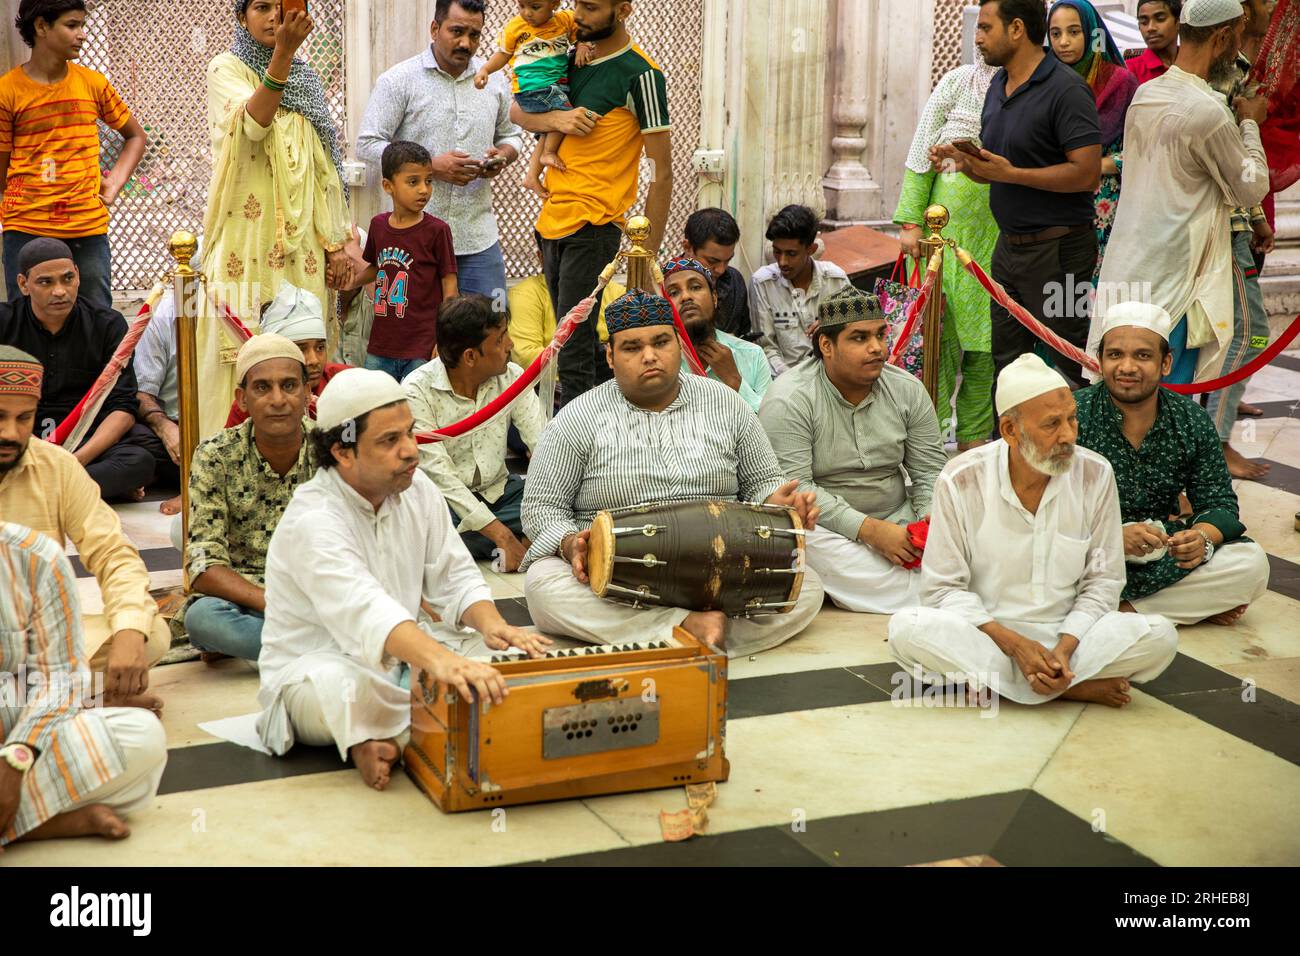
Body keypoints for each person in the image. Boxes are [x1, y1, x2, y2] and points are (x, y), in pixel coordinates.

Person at [253, 368, 549, 790]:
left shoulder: (417, 490)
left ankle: (383, 733)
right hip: (319, 669)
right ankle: (382, 730)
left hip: (407, 656)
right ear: (343, 452)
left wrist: (493, 625)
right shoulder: (314, 519)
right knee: (349, 689)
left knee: (502, 665)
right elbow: (366, 612)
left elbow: (454, 574)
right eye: (390, 441)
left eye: (409, 434)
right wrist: (441, 661)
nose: (411, 451)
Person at [520, 289, 825, 657]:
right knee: (543, 587)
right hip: (618, 573)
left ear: (679, 345)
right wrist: (571, 543)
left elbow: (763, 481)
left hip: (721, 562)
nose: (649, 356)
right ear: (611, 357)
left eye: (661, 342)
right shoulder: (577, 418)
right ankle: (691, 628)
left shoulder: (725, 402)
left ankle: (675, 633)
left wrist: (776, 501)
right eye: (632, 347)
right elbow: (541, 508)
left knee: (808, 586)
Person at [888, 353, 1179, 708]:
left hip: (1071, 636)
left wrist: (1064, 648)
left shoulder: (1095, 474)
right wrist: (1014, 644)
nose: (1068, 435)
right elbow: (942, 588)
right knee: (907, 629)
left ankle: (1020, 682)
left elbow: (1103, 583)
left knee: (1160, 636)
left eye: (1072, 419)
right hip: (987, 636)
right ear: (1010, 431)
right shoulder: (961, 478)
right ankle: (1067, 687)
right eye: (1051, 424)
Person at [1088, 0, 1269, 385]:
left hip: (1130, 274)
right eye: (1236, 38)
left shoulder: (1147, 95)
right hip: (1174, 287)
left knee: (1125, 405)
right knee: (1163, 407)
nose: (1238, 51)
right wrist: (1251, 124)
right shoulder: (1208, 111)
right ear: (1221, 37)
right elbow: (1250, 185)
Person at [197, 1, 354, 438]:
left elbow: (324, 170)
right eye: (261, 7)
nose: (273, 17)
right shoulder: (225, 68)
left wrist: (337, 241)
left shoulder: (306, 80)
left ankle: (302, 469)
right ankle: (219, 469)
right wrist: (282, 56)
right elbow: (253, 125)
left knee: (300, 363)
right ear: (241, 16)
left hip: (302, 249)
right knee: (240, 360)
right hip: (244, 245)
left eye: (281, 7)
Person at [933, 0, 1102, 396]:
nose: (977, 38)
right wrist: (962, 162)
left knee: (1066, 363)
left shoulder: (1066, 89)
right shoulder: (998, 85)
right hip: (1008, 249)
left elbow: (1087, 173)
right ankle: (1010, 451)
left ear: (1017, 29)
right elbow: (996, 172)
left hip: (1059, 251)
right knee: (1007, 365)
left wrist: (1012, 174)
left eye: (985, 28)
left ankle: (1070, 452)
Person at [511, 0, 673, 407]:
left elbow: (663, 173)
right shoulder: (571, 57)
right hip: (551, 221)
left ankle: (581, 454)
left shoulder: (642, 75)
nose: (577, 14)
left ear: (623, 10)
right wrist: (559, 121)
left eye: (590, 6)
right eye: (575, 3)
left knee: (573, 344)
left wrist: (645, 259)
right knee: (571, 343)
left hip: (594, 224)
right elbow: (517, 109)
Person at [1075, 302, 1269, 626]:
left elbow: (1218, 502)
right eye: (1115, 355)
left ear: (1166, 363)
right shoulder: (1073, 415)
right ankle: (1172, 605)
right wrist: (1111, 539)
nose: (1127, 367)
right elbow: (1037, 514)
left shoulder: (1189, 420)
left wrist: (1202, 538)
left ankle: (1125, 611)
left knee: (1250, 563)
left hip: (1157, 550)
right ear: (1100, 361)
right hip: (1088, 553)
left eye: (1142, 356)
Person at [0, 346, 169, 709]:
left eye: (24, 418)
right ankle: (75, 699)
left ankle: (43, 701)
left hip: (37, 644)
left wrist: (127, 632)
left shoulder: (56, 467)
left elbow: (114, 554)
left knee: (148, 633)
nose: (10, 433)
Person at [760, 288, 946, 614]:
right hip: (830, 532)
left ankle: (900, 587)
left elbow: (930, 470)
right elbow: (796, 488)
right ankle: (934, 591)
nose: (877, 348)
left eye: (880, 334)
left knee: (968, 519)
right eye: (859, 338)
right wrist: (869, 530)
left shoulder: (907, 389)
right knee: (799, 537)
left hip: (898, 518)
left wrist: (928, 521)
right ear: (826, 345)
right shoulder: (789, 398)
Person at [0, 523, 166, 849]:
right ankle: (37, 824)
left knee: (142, 737)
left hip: (20, 693)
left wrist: (16, 757)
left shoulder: (33, 553)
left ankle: (86, 700)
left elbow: (113, 552)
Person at [356, 0, 524, 301]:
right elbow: (367, 144)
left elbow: (512, 135)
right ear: (434, 28)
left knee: (491, 328)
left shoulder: (495, 81)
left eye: (474, 35)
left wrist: (502, 156)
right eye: (457, 31)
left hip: (478, 240)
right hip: (412, 241)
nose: (466, 43)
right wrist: (431, 167)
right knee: (412, 338)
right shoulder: (399, 80)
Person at [177, 335, 317, 664]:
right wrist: (275, 603)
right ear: (242, 399)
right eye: (263, 388)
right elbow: (202, 565)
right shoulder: (215, 455)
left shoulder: (332, 449)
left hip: (316, 590)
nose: (278, 399)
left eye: (289, 385)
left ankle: (274, 644)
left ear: (308, 392)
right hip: (248, 593)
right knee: (203, 619)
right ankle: (317, 645)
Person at [0, 0, 147, 310]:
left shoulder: (92, 84)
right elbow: (1, 170)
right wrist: (24, 204)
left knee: (94, 319)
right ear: (41, 26)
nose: (82, 34)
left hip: (86, 230)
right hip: (26, 228)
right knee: (25, 322)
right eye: (71, 25)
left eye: (82, 24)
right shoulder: (8, 91)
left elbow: (135, 136)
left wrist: (112, 185)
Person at [0, 238, 155, 502]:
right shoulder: (4, 322)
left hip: (85, 439)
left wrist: (74, 462)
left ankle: (34, 490)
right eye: (46, 282)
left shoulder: (107, 324)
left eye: (67, 279)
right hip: (17, 435)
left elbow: (123, 407)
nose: (60, 291)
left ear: (79, 277)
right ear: (24, 285)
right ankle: (83, 492)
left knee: (139, 461)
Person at [896, 58, 999, 448]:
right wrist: (910, 224)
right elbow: (922, 150)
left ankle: (973, 442)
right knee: (935, 346)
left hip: (997, 239)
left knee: (985, 353)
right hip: (943, 239)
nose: (982, 36)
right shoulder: (957, 81)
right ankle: (928, 440)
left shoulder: (1029, 85)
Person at [403, 294, 545, 572]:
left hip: (503, 495)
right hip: (446, 505)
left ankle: (504, 540)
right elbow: (443, 480)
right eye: (501, 339)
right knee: (421, 529)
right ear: (470, 356)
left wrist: (543, 513)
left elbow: (544, 445)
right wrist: (502, 534)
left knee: (569, 502)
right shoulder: (416, 391)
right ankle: (515, 540)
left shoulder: (511, 376)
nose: (510, 345)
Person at [1203, 0, 1278, 479]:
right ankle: (1215, 445)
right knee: (1249, 336)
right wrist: (1249, 217)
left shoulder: (1239, 71)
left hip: (1232, 219)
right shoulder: (1218, 79)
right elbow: (1234, 164)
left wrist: (1255, 217)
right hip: (1220, 226)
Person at [1046, 1, 1140, 280]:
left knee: (1093, 295)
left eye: (1074, 32)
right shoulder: (1044, 83)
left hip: (1104, 206)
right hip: (1051, 204)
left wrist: (1096, 165)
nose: (1064, 42)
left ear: (1091, 32)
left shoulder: (1120, 83)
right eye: (1055, 33)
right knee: (1055, 298)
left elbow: (1143, 150)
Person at [352, 141, 458, 383]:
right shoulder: (378, 225)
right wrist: (351, 281)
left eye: (429, 181)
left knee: (417, 414)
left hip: (422, 347)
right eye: (413, 182)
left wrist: (443, 338)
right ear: (388, 186)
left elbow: (450, 291)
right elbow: (377, 268)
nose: (424, 190)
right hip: (380, 346)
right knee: (376, 408)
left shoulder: (437, 231)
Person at [472, 0, 594, 198]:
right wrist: (485, 69)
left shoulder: (565, 21)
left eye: (535, 7)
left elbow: (582, 33)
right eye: (521, 6)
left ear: (555, 3)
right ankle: (548, 154)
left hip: (556, 86)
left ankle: (532, 176)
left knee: (549, 131)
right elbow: (503, 54)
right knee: (564, 116)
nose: (527, 13)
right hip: (532, 89)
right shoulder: (516, 26)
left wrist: (582, 45)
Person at [225, 283, 350, 427]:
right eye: (301, 350)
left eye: (320, 347)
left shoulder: (346, 381)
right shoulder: (253, 398)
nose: (314, 360)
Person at [750, 204, 851, 376]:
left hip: (833, 378)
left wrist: (836, 323)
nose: (782, 262)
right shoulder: (763, 283)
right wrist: (793, 382)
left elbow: (854, 336)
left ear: (811, 249)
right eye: (777, 252)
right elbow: (767, 349)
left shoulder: (836, 280)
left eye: (791, 254)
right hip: (785, 382)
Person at [662, 257, 770, 412]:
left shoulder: (752, 355)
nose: (686, 297)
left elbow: (770, 423)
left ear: (714, 298)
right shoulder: (660, 362)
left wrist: (734, 380)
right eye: (673, 292)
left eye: (695, 287)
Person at [507, 233, 624, 367]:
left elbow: (633, 345)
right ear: (542, 257)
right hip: (557, 384)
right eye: (564, 253)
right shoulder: (525, 294)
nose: (573, 260)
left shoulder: (616, 292)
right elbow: (526, 357)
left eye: (579, 252)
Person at [682, 208, 751, 339]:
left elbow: (744, 336)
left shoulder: (735, 281)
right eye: (712, 261)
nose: (721, 270)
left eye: (727, 261)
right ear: (687, 247)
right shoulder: (663, 284)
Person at [1127, 0, 1182, 83]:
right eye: (1144, 22)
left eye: (1160, 19)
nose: (1150, 28)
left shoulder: (1197, 65)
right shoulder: (1129, 72)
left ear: (1178, 23)